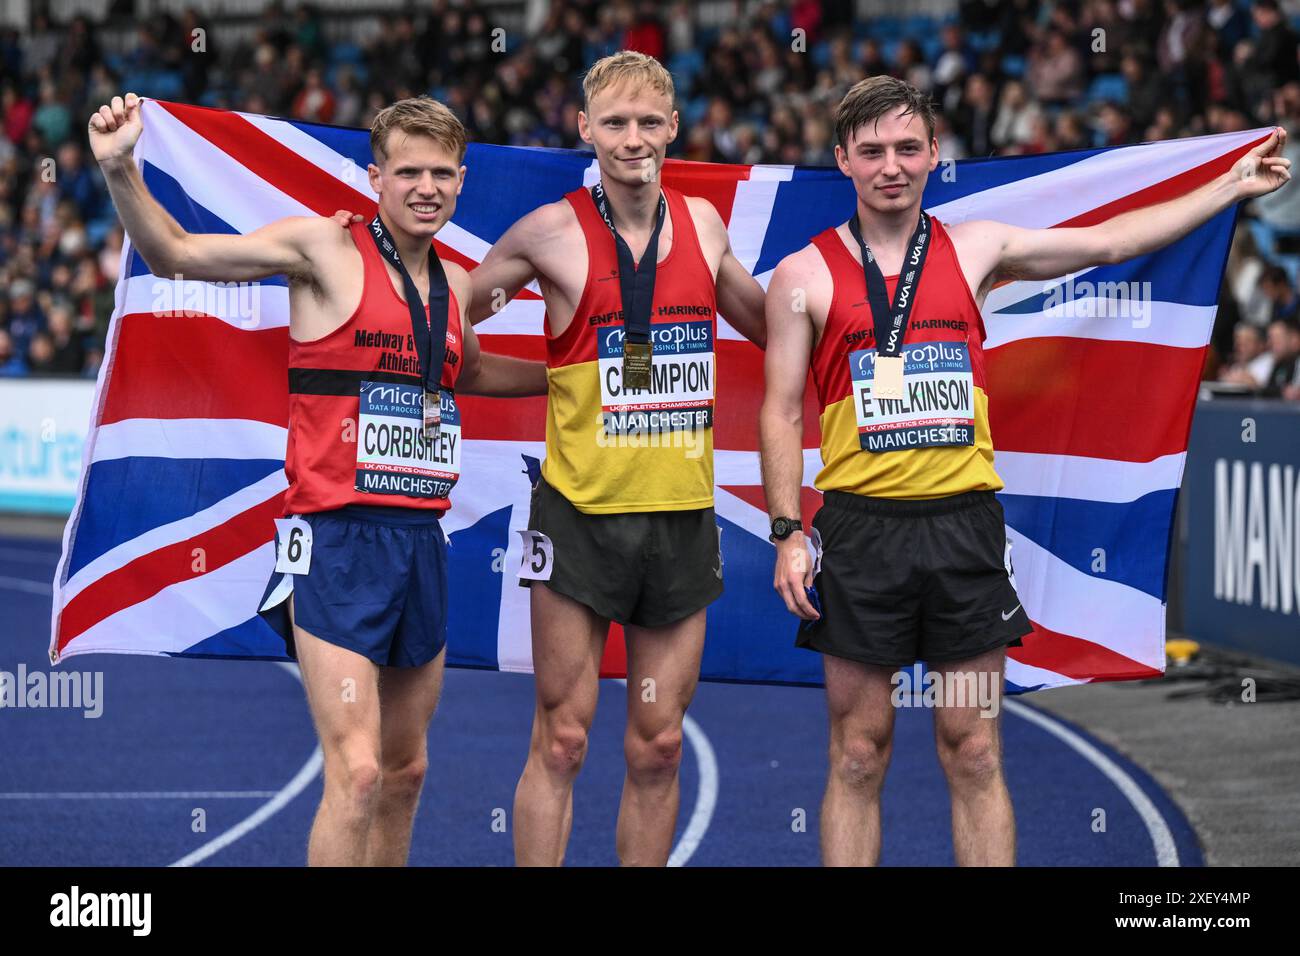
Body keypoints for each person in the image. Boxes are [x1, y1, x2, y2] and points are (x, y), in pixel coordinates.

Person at [759, 75, 1291, 866]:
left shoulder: (977, 247)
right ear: (843, 159)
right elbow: (779, 411)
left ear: (936, 153)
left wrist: (1229, 188)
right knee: (858, 752)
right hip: (861, 538)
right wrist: (786, 533)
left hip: (964, 537)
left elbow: (1111, 242)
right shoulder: (803, 276)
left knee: (972, 748)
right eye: (871, 151)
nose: (891, 165)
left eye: (909, 147)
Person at [89, 92, 548, 866]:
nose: (425, 187)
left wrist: (566, 379)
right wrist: (120, 170)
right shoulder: (323, 250)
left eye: (441, 172)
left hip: (420, 543)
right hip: (333, 544)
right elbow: (177, 254)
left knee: (406, 770)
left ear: (462, 180)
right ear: (375, 178)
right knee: (359, 771)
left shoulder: (460, 288)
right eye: (408, 172)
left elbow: (464, 370)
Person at [467, 51, 766, 866]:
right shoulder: (549, 232)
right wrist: (553, 376)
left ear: (673, 127)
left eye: (647, 123)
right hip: (578, 521)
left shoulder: (704, 226)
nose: (632, 140)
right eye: (614, 124)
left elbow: (778, 329)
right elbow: (442, 321)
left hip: (677, 518)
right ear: (584, 130)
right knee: (562, 739)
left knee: (659, 744)